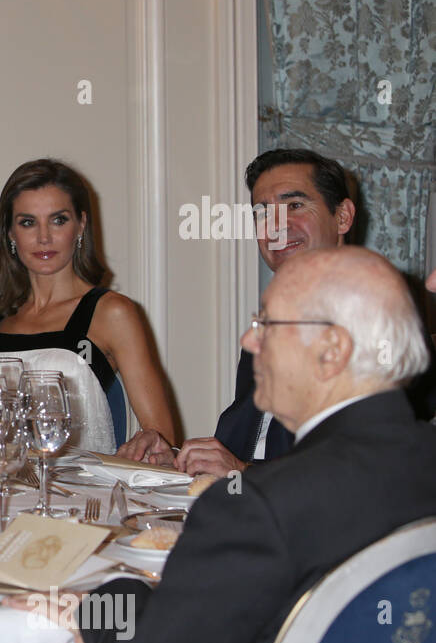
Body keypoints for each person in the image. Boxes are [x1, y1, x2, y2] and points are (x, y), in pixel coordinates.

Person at [25, 247, 436, 643]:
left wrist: (108, 599)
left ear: (332, 350)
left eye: (266, 323)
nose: (248, 341)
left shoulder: (259, 507)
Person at [119, 147, 355, 474]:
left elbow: (364, 469)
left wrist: (241, 473)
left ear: (342, 216)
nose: (275, 226)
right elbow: (249, 442)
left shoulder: (381, 314)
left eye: (295, 205)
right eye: (263, 212)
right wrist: (176, 460)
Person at [0, 159, 178, 445]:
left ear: (81, 225)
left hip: (86, 488)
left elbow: (163, 440)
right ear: (10, 233)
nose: (44, 237)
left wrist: (148, 446)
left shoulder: (112, 312)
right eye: (28, 222)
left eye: (58, 220)